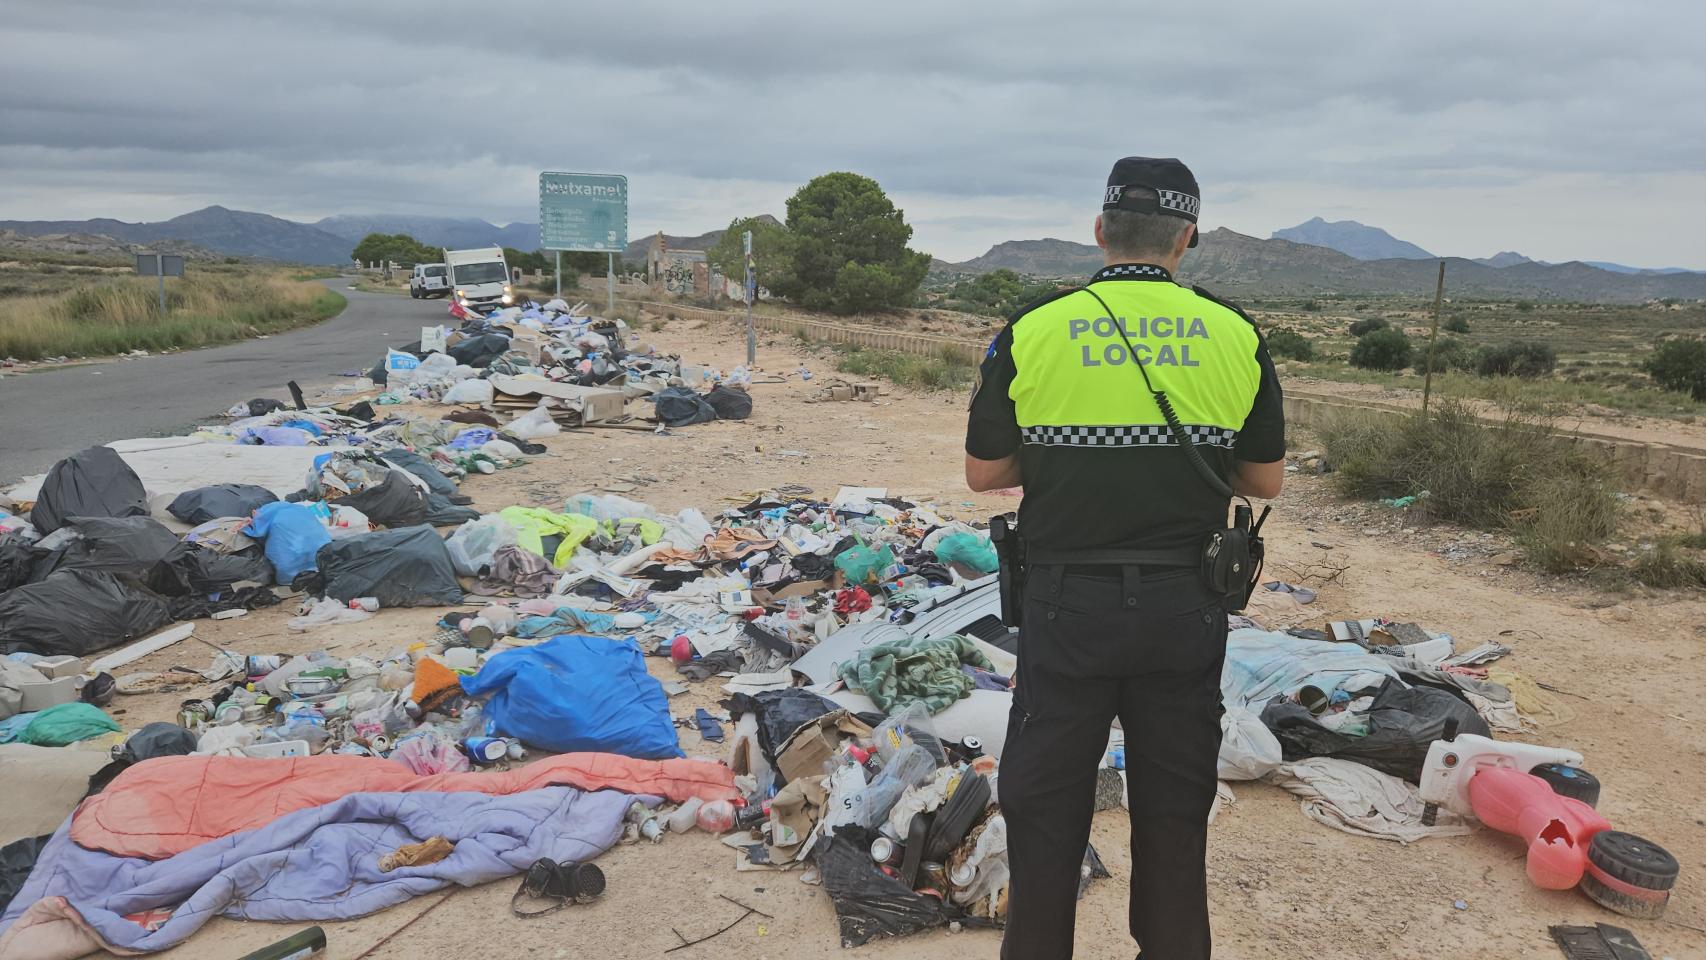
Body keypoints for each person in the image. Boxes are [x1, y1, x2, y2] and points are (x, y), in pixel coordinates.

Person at [964, 156, 1285, 959]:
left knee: (1043, 804)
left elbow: (984, 474)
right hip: (1186, 606)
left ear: (1101, 231)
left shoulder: (1034, 328)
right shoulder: (1235, 334)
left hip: (1065, 605)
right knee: (1175, 808)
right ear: (1189, 238)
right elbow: (1263, 477)